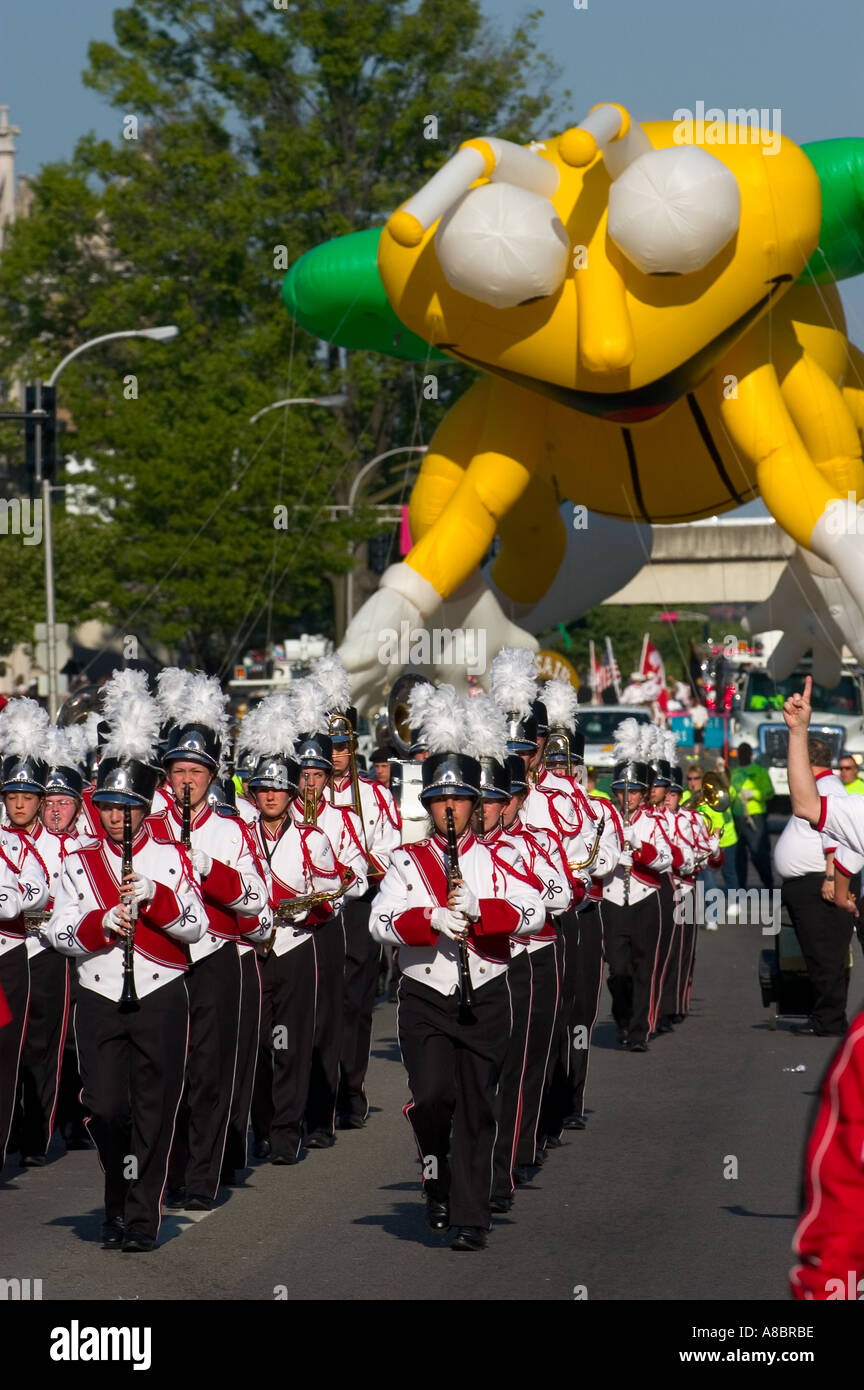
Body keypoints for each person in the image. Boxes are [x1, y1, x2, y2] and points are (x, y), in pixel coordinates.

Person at [370, 685, 543, 1251]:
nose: (449, 809)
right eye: (440, 800)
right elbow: (381, 921)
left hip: (488, 990)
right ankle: (435, 1174)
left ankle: (472, 1216)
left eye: (460, 800)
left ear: (475, 804)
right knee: (435, 1096)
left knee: (476, 1103)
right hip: (423, 994)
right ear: (428, 806)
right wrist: (429, 919)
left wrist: (483, 913)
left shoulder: (504, 857)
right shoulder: (405, 860)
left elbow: (534, 910)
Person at [45, 674, 206, 1251]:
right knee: (107, 1108)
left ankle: (141, 1218)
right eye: (109, 808)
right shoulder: (79, 862)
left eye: (127, 808)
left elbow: (196, 925)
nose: (116, 818)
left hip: (161, 993)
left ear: (144, 808)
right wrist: (101, 923)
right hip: (98, 992)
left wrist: (155, 901)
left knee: (155, 1107)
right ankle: (118, 1190)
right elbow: (62, 931)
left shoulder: (171, 856)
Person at [152, 669, 271, 1211]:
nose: (186, 779)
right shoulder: (146, 825)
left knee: (209, 1068)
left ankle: (202, 1177)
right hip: (162, 958)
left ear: (211, 775)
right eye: (177, 769)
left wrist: (210, 869)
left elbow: (255, 898)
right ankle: (167, 1173)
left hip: (216, 955)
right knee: (163, 1070)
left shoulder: (232, 827)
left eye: (196, 771)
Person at [238, 694, 344, 1165]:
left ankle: (286, 1133)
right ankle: (261, 1126)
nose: (272, 796)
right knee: (255, 1043)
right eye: (264, 789)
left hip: (295, 947)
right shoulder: (239, 835)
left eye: (280, 790)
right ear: (256, 794)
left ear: (292, 796)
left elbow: (332, 897)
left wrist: (303, 911)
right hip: (249, 948)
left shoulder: (313, 838)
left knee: (290, 1043)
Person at [776, 734, 864, 1036]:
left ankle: (829, 1019)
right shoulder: (826, 787)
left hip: (818, 884)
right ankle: (827, 1017)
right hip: (814, 884)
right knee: (821, 956)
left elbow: (837, 842)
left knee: (825, 956)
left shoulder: (826, 786)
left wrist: (831, 879)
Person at [0, 698, 52, 1171]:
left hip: (42, 948)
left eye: (26, 797)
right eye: (11, 797)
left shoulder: (51, 843)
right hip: (14, 946)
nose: (17, 804)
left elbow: (40, 894)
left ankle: (36, 1132)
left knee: (37, 1046)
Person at [601, 719, 674, 1053]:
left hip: (646, 898)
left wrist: (639, 848)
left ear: (644, 793)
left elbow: (665, 859)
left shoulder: (656, 821)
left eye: (632, 791)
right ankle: (622, 1018)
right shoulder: (604, 819)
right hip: (613, 899)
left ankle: (639, 1030)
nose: (626, 797)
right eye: (620, 791)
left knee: (645, 967)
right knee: (617, 970)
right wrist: (614, 856)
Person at [731, 742, 774, 889]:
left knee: (758, 853)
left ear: (750, 754)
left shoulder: (760, 771)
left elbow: (769, 792)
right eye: (740, 752)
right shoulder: (734, 772)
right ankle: (741, 887)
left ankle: (768, 884)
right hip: (738, 816)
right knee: (739, 856)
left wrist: (754, 794)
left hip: (755, 816)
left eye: (745, 752)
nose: (742, 755)